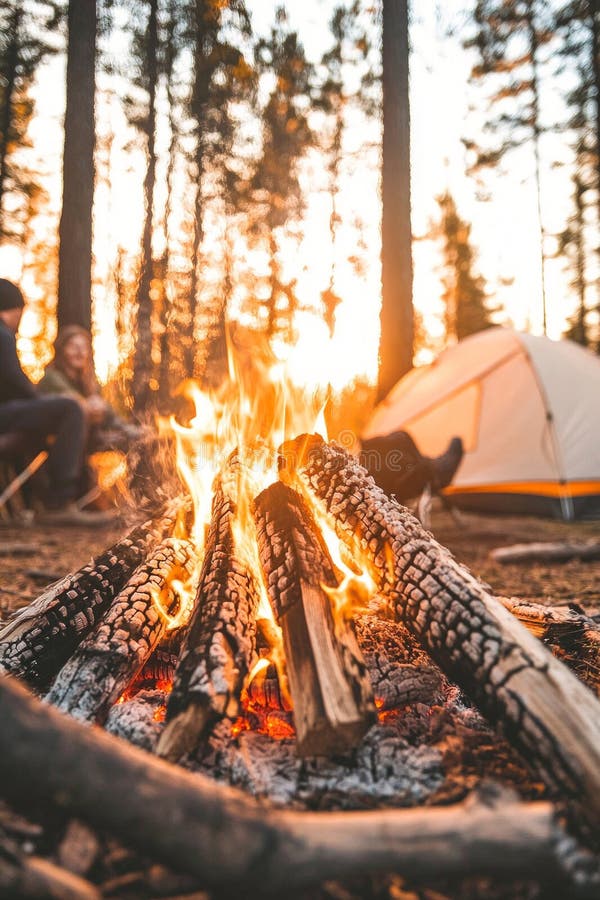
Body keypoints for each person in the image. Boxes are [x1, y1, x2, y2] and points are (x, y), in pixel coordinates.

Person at [0, 278, 115, 525]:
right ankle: (59, 503)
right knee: (70, 408)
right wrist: (43, 402)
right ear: (10, 308)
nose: (20, 319)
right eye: (20, 311)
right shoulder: (2, 333)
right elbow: (14, 380)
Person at [38, 325, 142, 454]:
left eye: (84, 347)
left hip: (82, 441)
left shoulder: (89, 383)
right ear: (61, 350)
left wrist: (128, 429)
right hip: (52, 443)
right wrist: (91, 406)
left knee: (135, 442)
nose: (79, 352)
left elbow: (106, 412)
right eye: (73, 346)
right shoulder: (51, 377)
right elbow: (80, 404)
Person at [359, 430, 464, 502]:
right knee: (456, 441)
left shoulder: (372, 477)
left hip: (416, 475)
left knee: (401, 439)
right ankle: (426, 460)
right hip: (432, 475)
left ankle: (424, 460)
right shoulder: (400, 465)